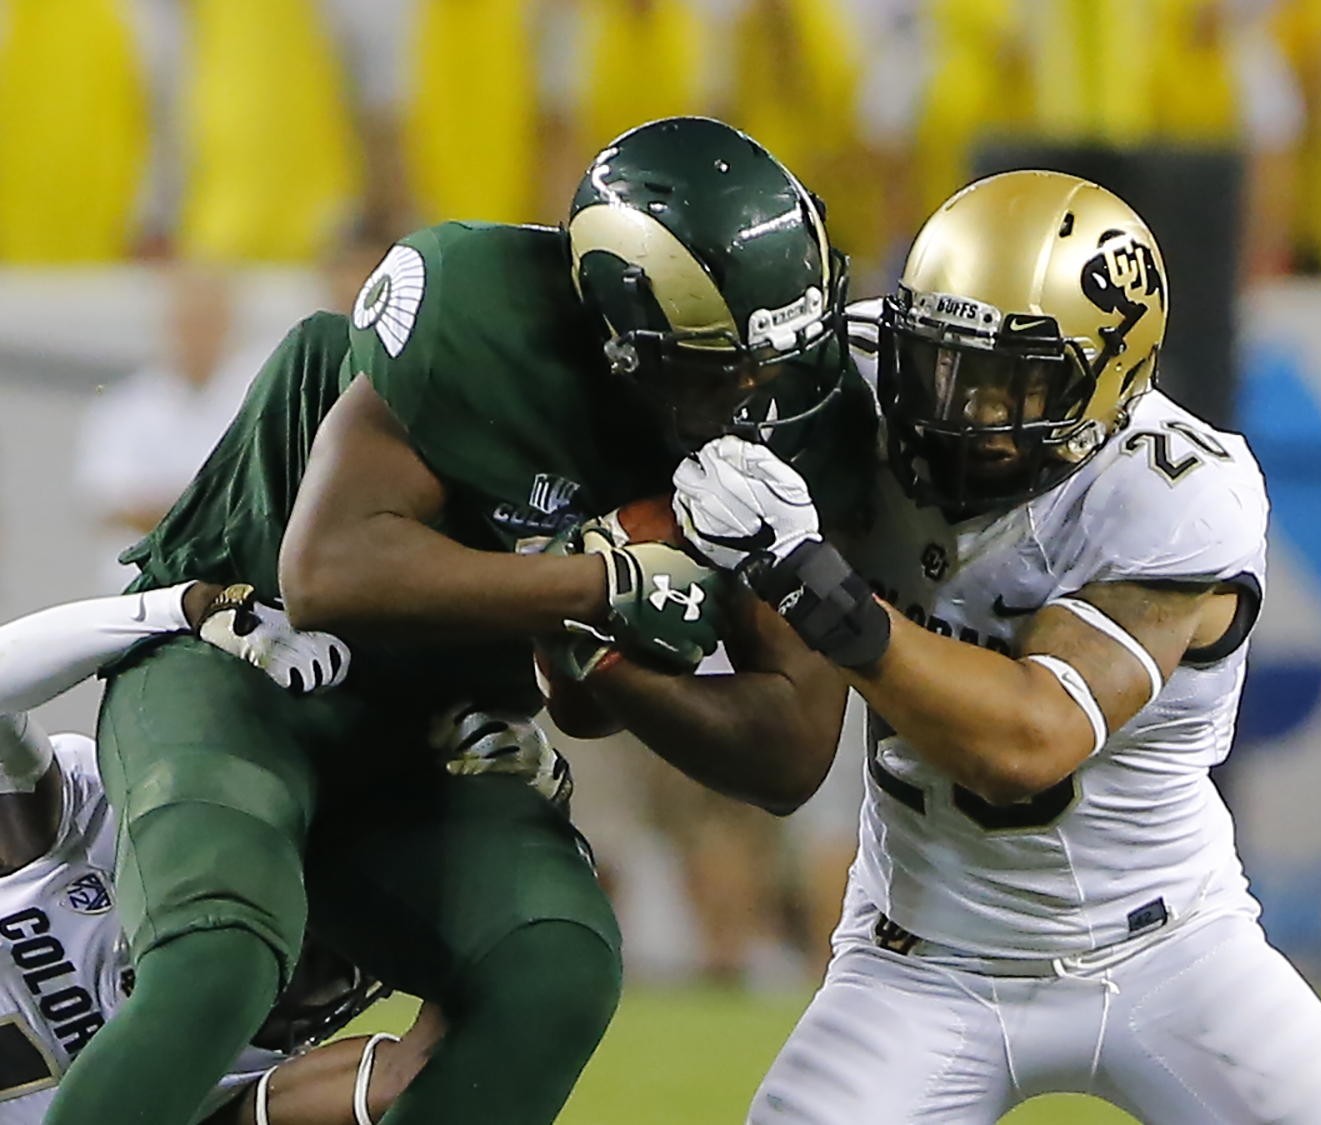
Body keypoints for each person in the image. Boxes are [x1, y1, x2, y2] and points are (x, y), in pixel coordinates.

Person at [45, 116, 862, 1125]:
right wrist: (594, 586)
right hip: (238, 661)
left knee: (555, 964)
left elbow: (792, 747)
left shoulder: (798, 409)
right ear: (619, 339)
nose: (758, 389)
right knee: (221, 954)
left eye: (774, 355)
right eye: (721, 363)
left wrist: (603, 668)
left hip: (431, 733)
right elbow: (327, 568)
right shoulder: (480, 312)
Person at [670, 170, 1321, 1123]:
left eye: (1002, 379)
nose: (953, 404)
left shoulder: (1172, 491)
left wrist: (811, 579)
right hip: (918, 960)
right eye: (935, 359)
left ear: (1106, 380)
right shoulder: (854, 381)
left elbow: (1028, 738)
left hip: (1171, 952)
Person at [0, 581, 576, 1125]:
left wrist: (186, 606)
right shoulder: (238, 1059)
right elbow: (410, 1072)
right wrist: (533, 836)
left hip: (213, 756)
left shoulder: (39, 840)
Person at [75, 263, 265, 590]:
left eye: (209, 320)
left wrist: (172, 507)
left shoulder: (258, 400)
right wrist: (218, 511)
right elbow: (112, 504)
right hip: (138, 593)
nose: (199, 335)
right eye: (189, 321)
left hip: (233, 595)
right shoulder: (124, 407)